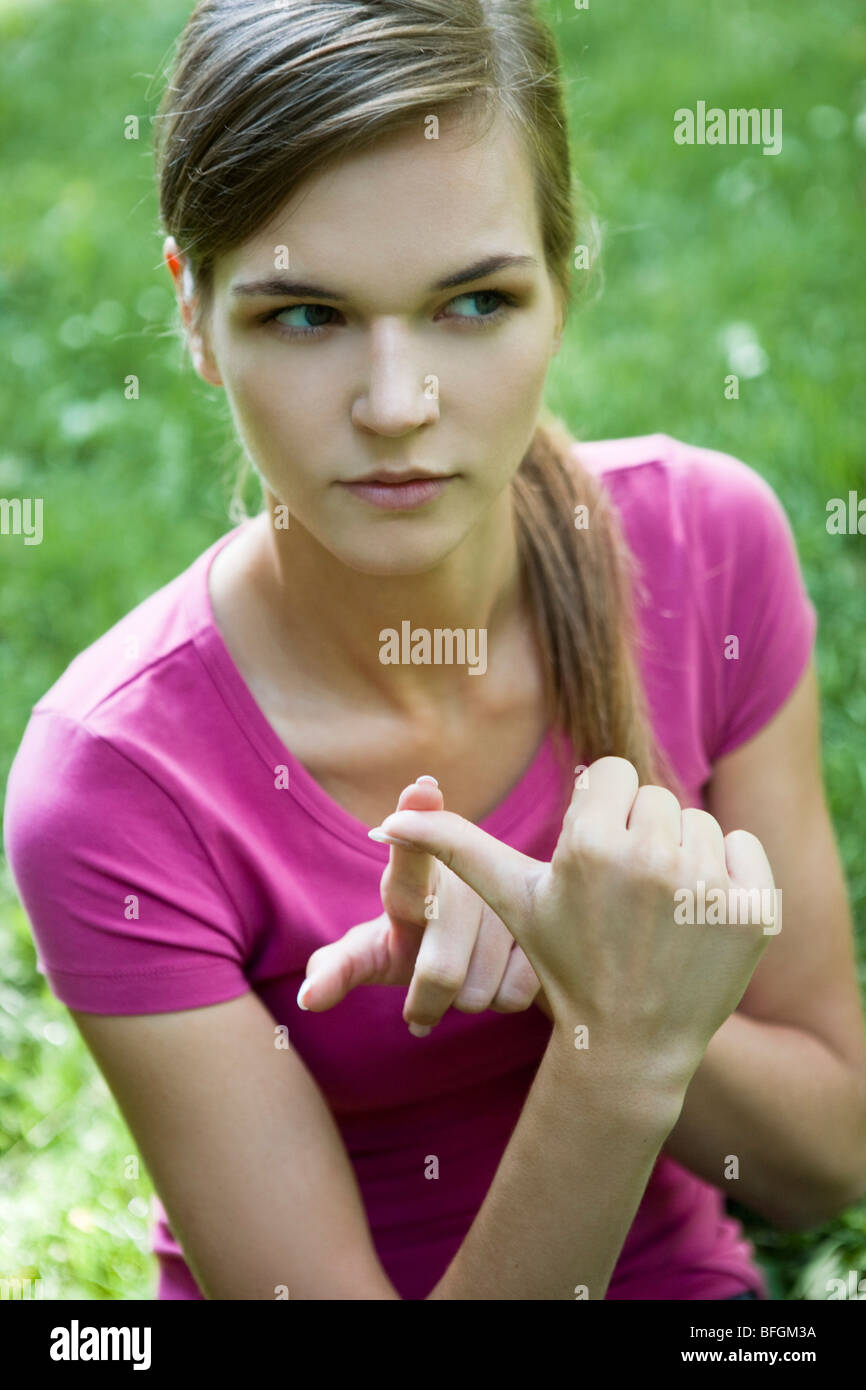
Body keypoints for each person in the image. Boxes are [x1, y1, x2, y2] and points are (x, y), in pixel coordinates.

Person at [4, 0, 866, 1302]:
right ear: (192, 313)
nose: (396, 404)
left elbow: (821, 1160)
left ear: (561, 284)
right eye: (305, 315)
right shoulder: (118, 780)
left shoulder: (706, 551)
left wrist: (566, 968)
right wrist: (612, 1040)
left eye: (473, 301)